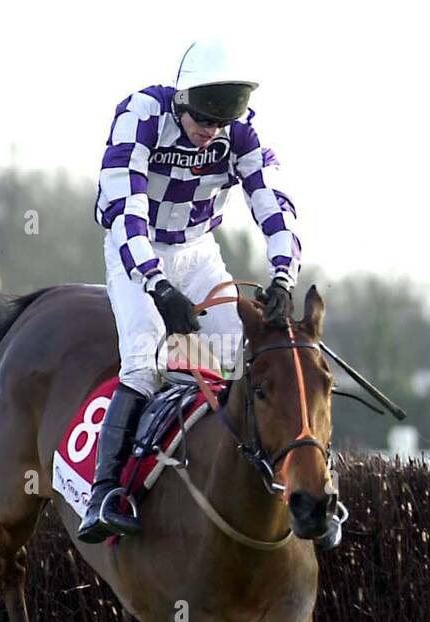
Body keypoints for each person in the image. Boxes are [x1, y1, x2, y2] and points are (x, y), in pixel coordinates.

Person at [80, 39, 301, 543]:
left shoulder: (239, 133)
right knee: (143, 361)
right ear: (181, 99)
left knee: (243, 353)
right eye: (204, 120)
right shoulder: (139, 114)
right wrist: (157, 285)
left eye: (221, 125)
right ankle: (106, 493)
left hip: (200, 252)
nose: (211, 134)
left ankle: (269, 482)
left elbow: (273, 204)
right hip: (134, 244)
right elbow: (126, 212)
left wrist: (283, 277)